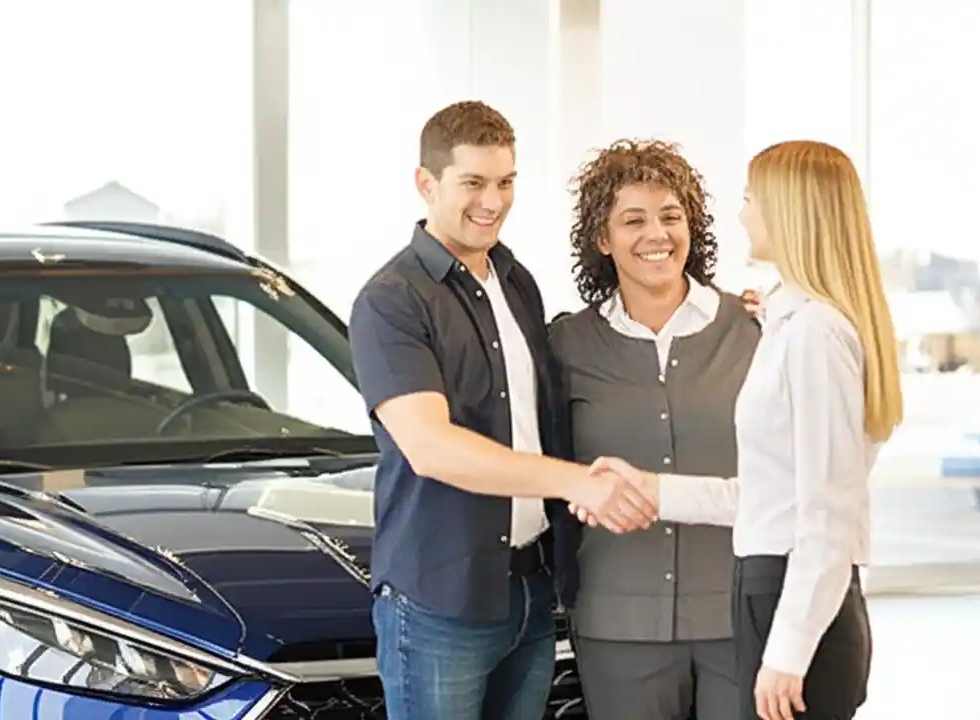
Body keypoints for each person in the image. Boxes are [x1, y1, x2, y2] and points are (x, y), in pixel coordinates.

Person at [347, 100, 657, 720]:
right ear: (426, 184)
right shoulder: (391, 302)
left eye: (506, 182)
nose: (494, 200)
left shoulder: (516, 282)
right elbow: (432, 448)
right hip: (440, 602)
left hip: (531, 591)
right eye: (474, 183)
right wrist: (576, 482)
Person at [580, 140, 902, 720]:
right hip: (772, 591)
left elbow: (828, 517)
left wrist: (786, 655)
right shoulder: (789, 322)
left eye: (753, 198)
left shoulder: (813, 334)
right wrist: (650, 488)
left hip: (792, 602)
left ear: (788, 211)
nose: (742, 213)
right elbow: (767, 497)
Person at [547, 139, 761, 720]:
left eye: (671, 216)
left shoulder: (755, 331)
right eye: (633, 220)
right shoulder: (565, 346)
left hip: (741, 618)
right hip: (617, 625)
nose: (656, 234)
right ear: (602, 238)